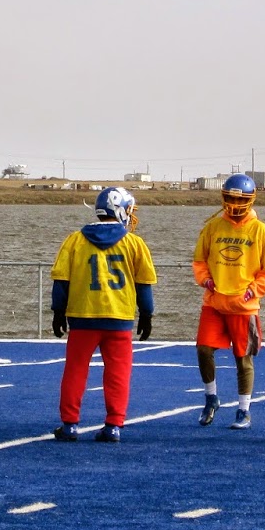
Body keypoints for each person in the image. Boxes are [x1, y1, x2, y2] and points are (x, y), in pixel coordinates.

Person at [48, 186, 158, 443]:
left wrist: (57, 312)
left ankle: (70, 424)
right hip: (119, 318)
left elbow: (61, 281)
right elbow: (144, 284)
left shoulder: (74, 240)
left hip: (83, 315)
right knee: (118, 373)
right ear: (119, 211)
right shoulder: (134, 243)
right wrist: (147, 314)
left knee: (75, 371)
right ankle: (113, 425)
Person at [192, 173, 265, 429]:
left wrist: (254, 290)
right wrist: (205, 279)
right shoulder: (212, 227)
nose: (233, 203)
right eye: (230, 197)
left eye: (238, 198)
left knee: (243, 358)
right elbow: (199, 260)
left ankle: (244, 410)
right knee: (203, 349)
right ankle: (211, 397)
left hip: (243, 305)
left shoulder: (262, 232)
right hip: (214, 302)